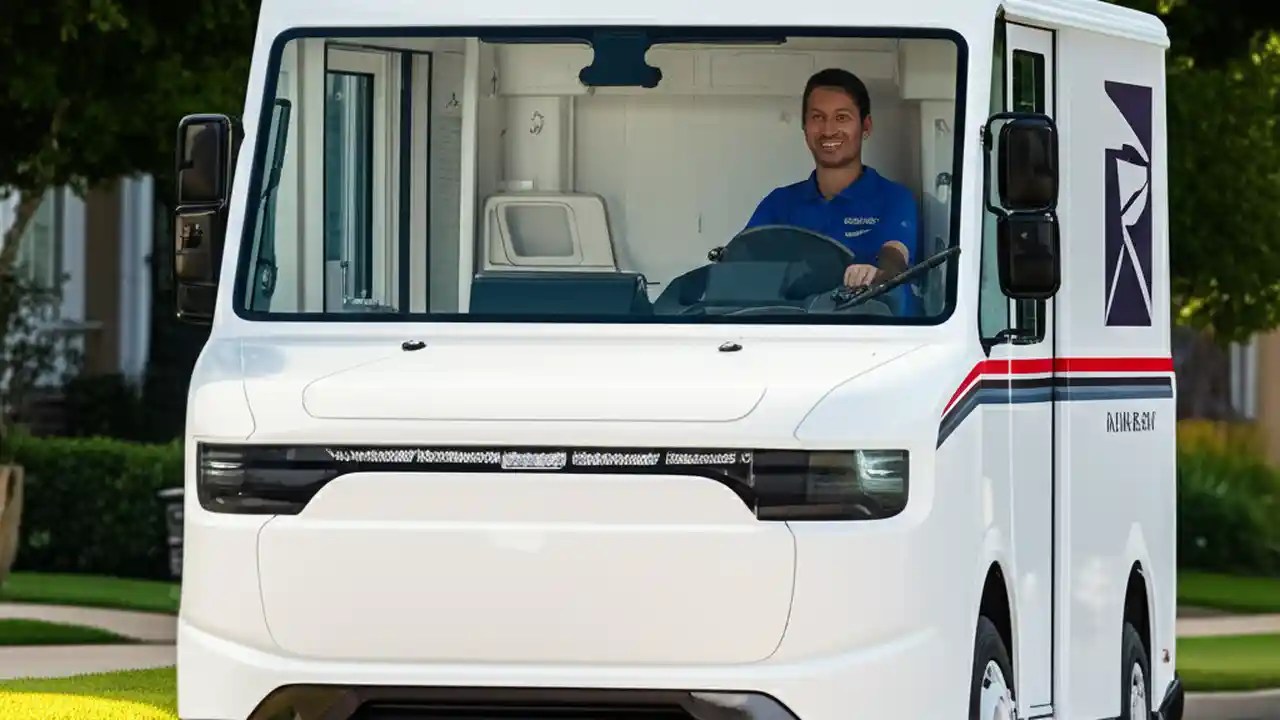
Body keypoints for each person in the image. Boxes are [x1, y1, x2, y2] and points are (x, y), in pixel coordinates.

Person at [744, 68, 920, 311]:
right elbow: (739, 269)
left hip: (878, 339)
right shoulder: (779, 203)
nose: (828, 130)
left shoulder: (894, 199)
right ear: (805, 127)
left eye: (842, 117)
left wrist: (876, 275)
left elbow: (895, 259)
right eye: (817, 117)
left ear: (866, 126)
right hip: (795, 338)